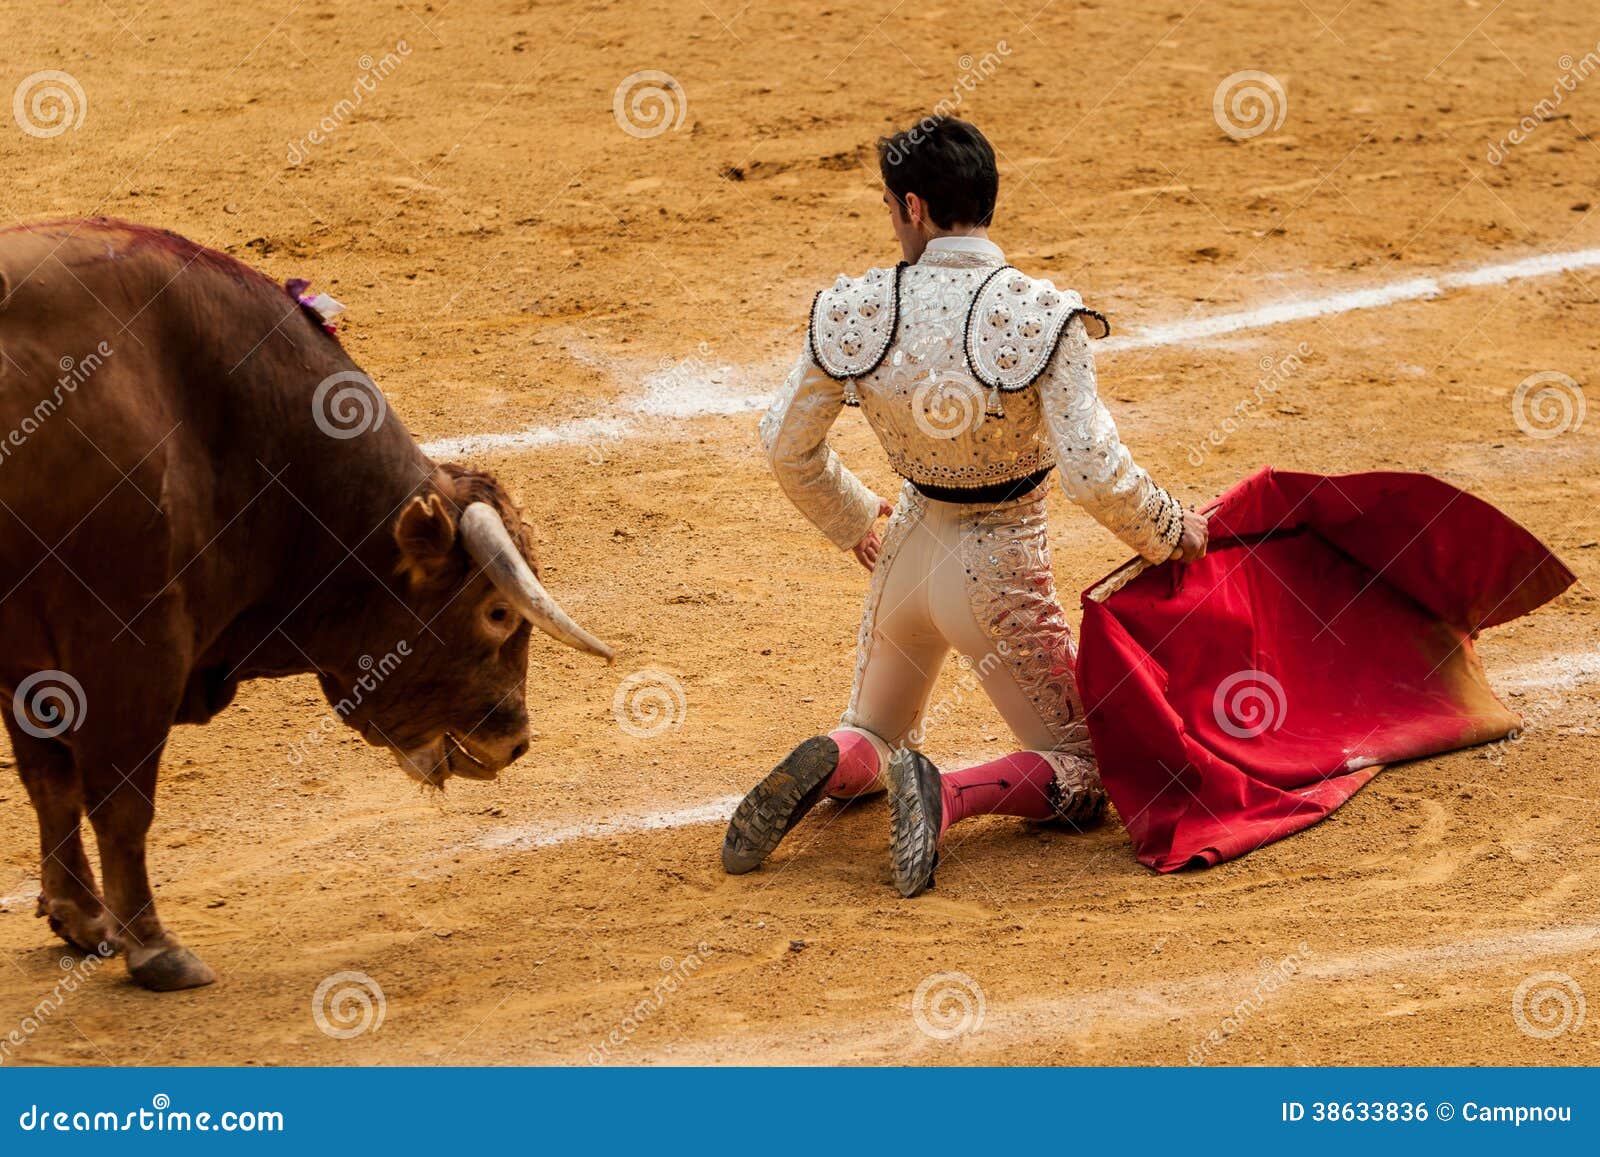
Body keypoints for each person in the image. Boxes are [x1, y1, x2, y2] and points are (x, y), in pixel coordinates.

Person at [722, 117, 1208, 897]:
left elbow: (786, 444)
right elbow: (1093, 474)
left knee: (878, 730)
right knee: (1090, 768)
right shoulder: (1041, 316)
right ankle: (948, 796)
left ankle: (835, 754)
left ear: (914, 207)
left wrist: (854, 516)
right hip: (997, 572)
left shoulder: (859, 307)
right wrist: (1166, 526)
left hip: (905, 551)